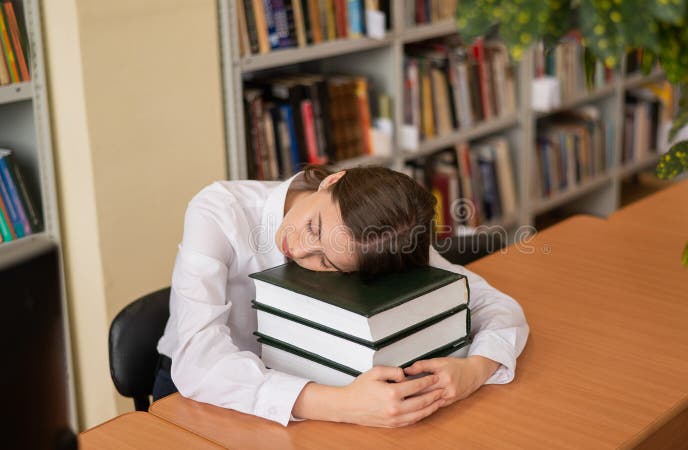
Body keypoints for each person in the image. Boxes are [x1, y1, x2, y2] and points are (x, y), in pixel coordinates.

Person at [154, 165, 529, 428]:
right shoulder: (220, 210)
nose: (300, 250)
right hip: (202, 396)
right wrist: (343, 405)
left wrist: (474, 371)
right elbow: (198, 361)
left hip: (318, 382)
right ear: (331, 181)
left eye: (327, 262)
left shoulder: (380, 239)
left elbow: (494, 305)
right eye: (314, 227)